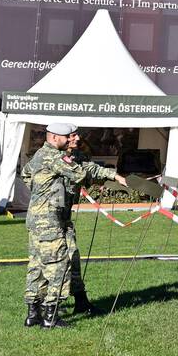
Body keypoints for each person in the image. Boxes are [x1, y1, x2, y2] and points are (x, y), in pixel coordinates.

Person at [21, 121, 126, 329]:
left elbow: (26, 174)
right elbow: (80, 173)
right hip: (50, 221)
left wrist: (42, 191)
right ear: (55, 138)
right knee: (59, 265)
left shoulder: (45, 155)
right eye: (71, 136)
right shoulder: (53, 156)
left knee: (38, 265)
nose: (76, 139)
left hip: (43, 219)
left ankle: (33, 313)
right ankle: (50, 317)